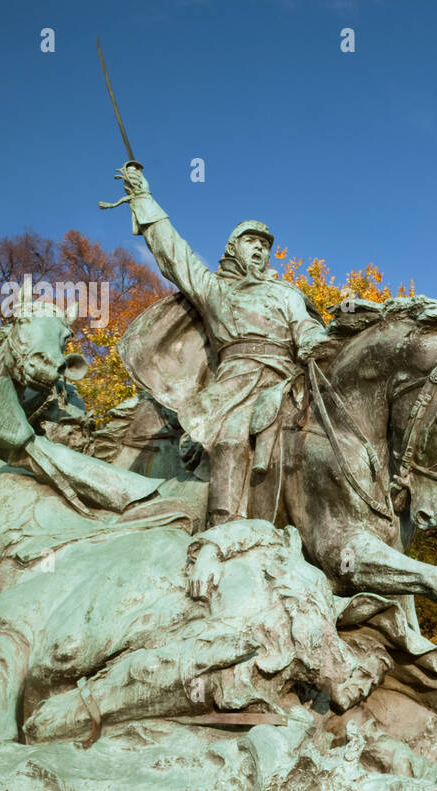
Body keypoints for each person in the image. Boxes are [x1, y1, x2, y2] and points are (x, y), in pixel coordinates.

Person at [111, 162, 328, 527]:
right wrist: (143, 198)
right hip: (236, 386)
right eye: (251, 243)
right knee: (231, 441)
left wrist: (316, 343)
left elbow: (306, 327)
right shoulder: (216, 289)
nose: (259, 251)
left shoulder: (287, 292)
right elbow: (174, 254)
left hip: (289, 382)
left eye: (265, 246)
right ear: (233, 248)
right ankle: (221, 529)